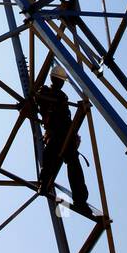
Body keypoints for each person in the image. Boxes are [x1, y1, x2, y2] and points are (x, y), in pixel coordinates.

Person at [35, 65, 90, 210]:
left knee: (72, 165)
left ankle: (80, 200)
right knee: (52, 159)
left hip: (64, 135)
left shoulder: (60, 96)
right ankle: (44, 184)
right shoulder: (46, 92)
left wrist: (74, 136)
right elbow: (39, 98)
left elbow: (66, 118)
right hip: (57, 135)